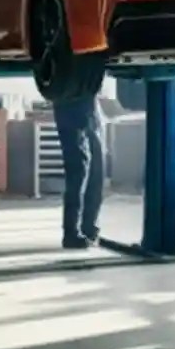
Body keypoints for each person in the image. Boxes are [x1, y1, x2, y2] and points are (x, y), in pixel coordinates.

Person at [53, 95, 106, 248]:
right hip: (76, 102)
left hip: (74, 102)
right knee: (81, 169)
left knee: (87, 167)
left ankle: (85, 227)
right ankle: (75, 230)